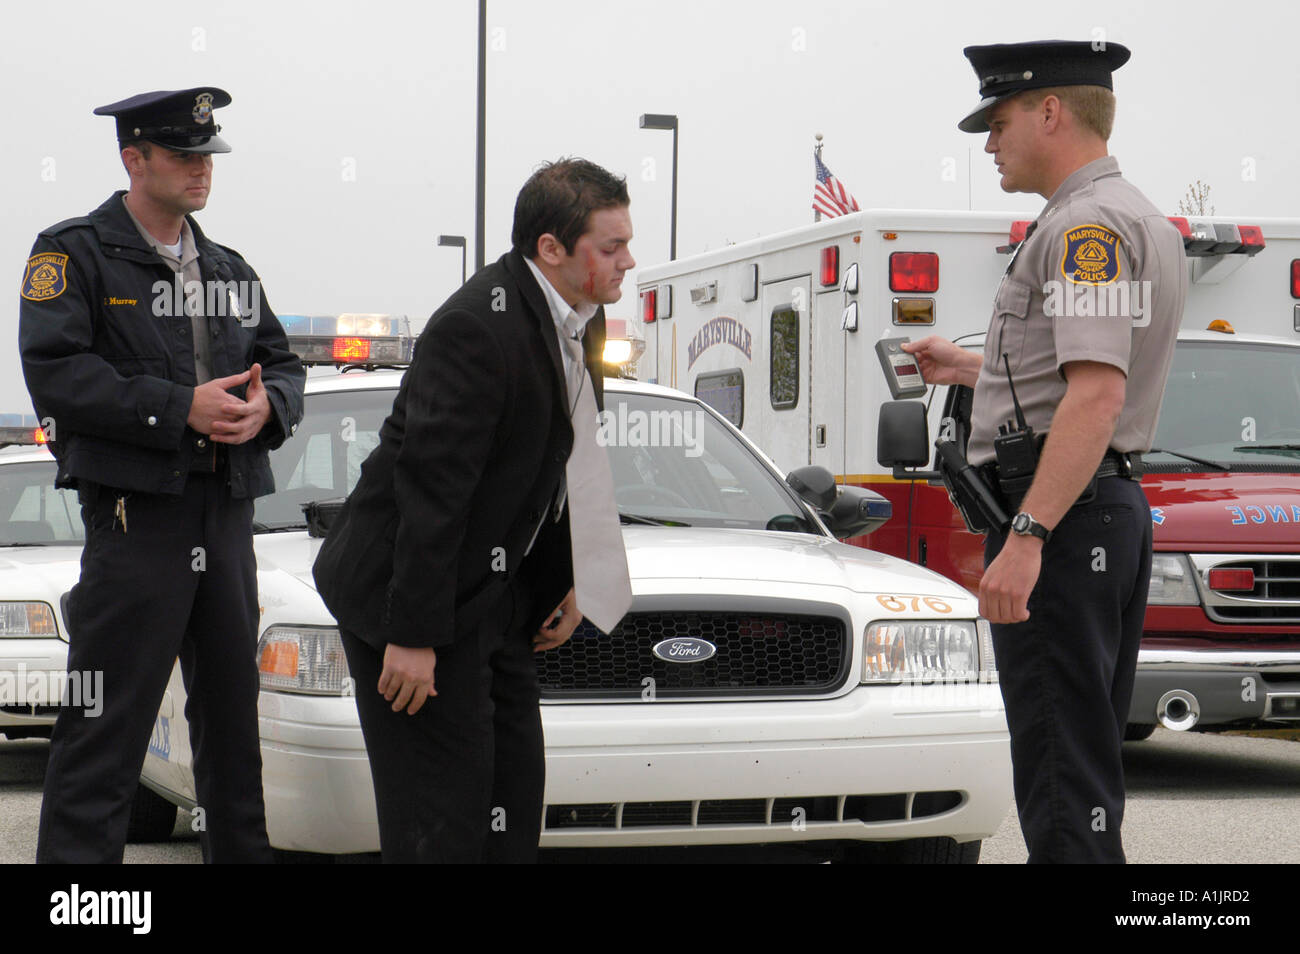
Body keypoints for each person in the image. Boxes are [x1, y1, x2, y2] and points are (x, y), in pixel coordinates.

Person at [903, 41, 1185, 862]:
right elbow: (1081, 374)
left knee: (1062, 780)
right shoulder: (1138, 216)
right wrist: (971, 368)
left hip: (1064, 522)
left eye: (999, 121)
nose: (989, 143)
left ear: (1051, 112)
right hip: (1099, 510)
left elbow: (1096, 397)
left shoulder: (1084, 228)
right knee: (1081, 772)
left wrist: (1027, 537)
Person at [313, 158, 635, 863]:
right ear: (550, 248)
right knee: (441, 824)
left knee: (511, 801)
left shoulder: (579, 317)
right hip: (408, 600)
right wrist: (414, 636)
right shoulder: (476, 326)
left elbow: (566, 458)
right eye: (610, 248)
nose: (627, 262)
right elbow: (432, 490)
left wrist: (575, 578)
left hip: (495, 600)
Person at [19, 87, 305, 863]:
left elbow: (281, 365)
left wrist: (266, 410)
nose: (201, 170)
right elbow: (57, 374)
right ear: (133, 158)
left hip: (226, 516)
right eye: (183, 155)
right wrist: (178, 407)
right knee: (105, 734)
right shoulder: (71, 253)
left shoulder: (227, 266)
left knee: (232, 737)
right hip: (135, 521)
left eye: (207, 155)